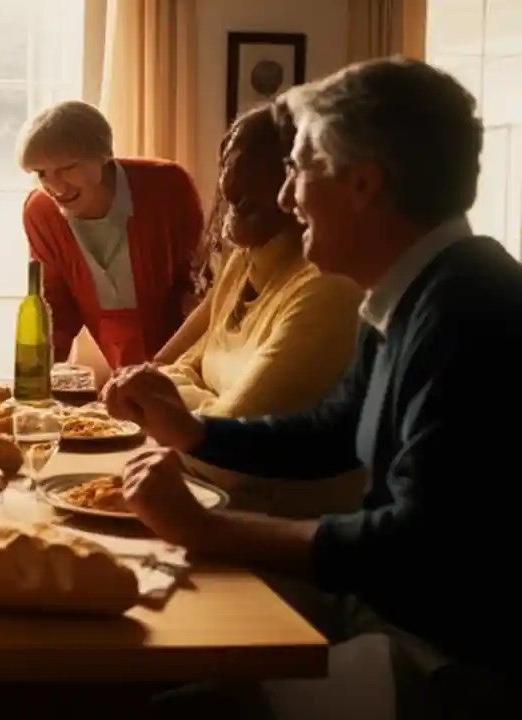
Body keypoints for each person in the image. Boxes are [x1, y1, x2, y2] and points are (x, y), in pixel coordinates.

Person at [105, 58, 515, 715]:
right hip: (381, 614)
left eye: (299, 169)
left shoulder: (472, 311)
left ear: (362, 184)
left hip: (447, 663)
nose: (288, 197)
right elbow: (330, 432)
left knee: (156, 701)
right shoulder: (409, 291)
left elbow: (412, 546)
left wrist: (204, 530)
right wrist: (197, 431)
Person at [160, 102, 362, 418]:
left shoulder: (328, 288)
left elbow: (235, 432)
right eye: (228, 157)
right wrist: (184, 394)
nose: (228, 179)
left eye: (256, 161)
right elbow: (181, 364)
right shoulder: (244, 260)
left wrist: (171, 399)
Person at [17, 99, 204, 370]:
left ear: (103, 154)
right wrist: (37, 376)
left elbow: (198, 282)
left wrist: (174, 367)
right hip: (118, 361)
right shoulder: (40, 211)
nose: (55, 186)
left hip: (187, 357)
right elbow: (56, 304)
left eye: (67, 168)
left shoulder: (168, 185)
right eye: (41, 173)